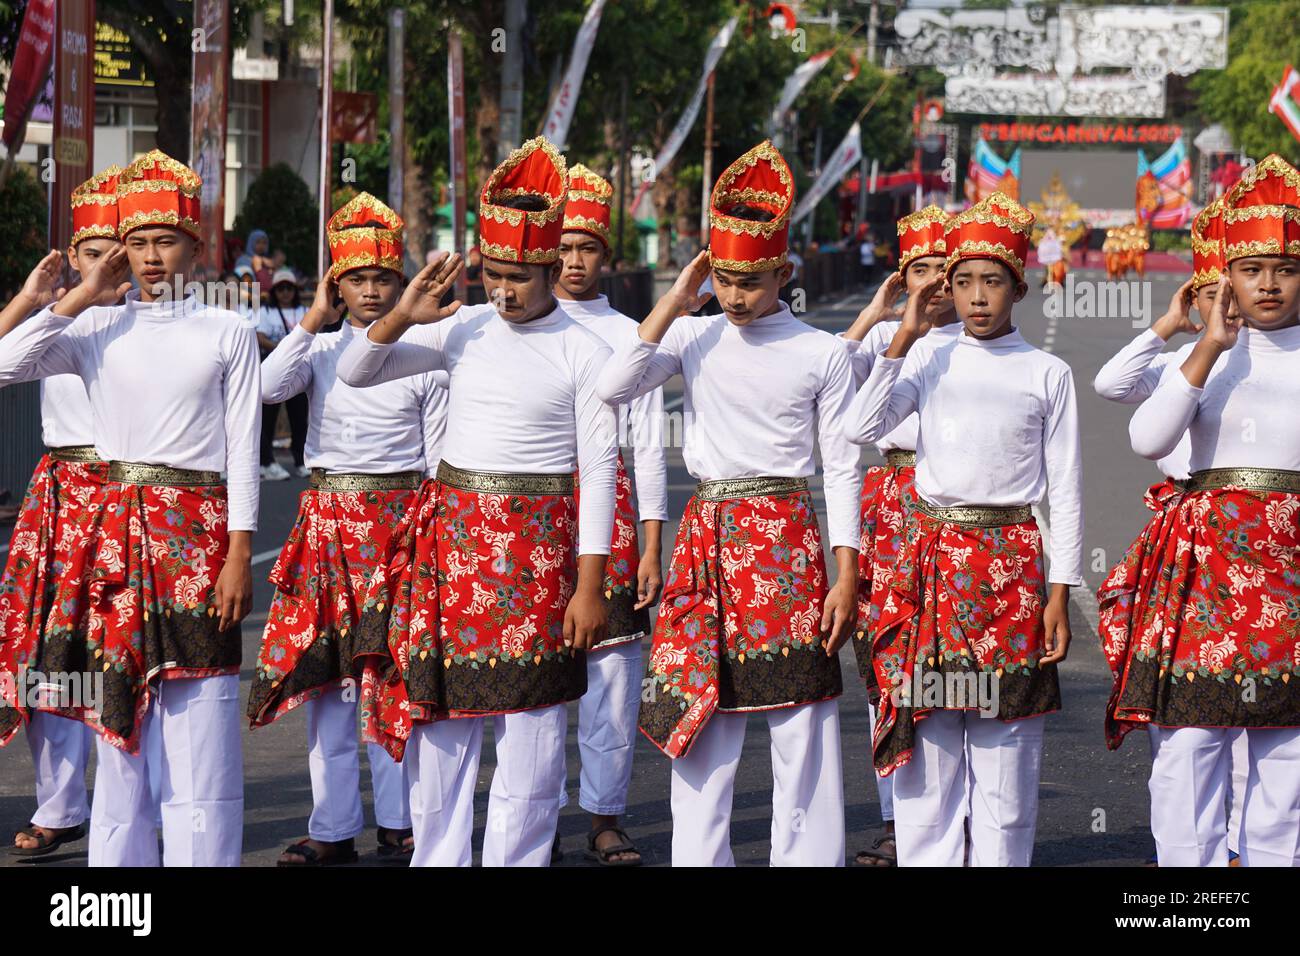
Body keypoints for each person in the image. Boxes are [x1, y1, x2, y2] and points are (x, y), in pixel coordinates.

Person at [336, 136, 619, 867]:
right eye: (493, 274)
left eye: (519, 276)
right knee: (440, 732)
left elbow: (600, 468)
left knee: (530, 744)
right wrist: (403, 313)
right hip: (452, 551)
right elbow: (357, 371)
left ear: (552, 267)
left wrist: (590, 588)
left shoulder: (585, 351)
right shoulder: (459, 329)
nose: (502, 290)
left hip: (539, 560)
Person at [596, 141, 860, 867]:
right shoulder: (693, 333)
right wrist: (677, 299)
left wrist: (847, 572)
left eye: (753, 280)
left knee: (801, 723)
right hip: (707, 537)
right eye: (726, 279)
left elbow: (842, 466)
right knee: (700, 717)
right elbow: (613, 387)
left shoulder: (822, 353)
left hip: (788, 542)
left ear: (786, 272)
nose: (738, 295)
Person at [0, 149, 259, 866]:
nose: (150, 257)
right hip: (112, 543)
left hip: (199, 541)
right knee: (119, 733)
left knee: (200, 729)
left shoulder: (227, 331)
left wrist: (240, 555)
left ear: (196, 245)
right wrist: (79, 294)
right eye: (136, 243)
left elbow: (243, 449)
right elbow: (4, 365)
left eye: (164, 241)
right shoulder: (91, 330)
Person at [844, 192, 1083, 867]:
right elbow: (861, 427)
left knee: (1006, 764)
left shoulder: (1048, 372)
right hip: (931, 568)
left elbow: (1063, 491)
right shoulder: (925, 359)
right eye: (965, 281)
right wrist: (904, 335)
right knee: (932, 758)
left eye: (993, 280)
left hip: (1011, 571)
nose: (978, 297)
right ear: (946, 286)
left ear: (1019, 286)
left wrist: (1059, 593)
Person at [247, 193, 447, 866]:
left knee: (392, 675)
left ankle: (400, 819)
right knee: (327, 682)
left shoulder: (423, 353)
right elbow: (267, 387)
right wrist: (310, 317)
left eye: (382, 280)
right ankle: (331, 827)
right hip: (327, 523)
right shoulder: (321, 348)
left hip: (397, 527)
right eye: (355, 279)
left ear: (401, 282)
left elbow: (438, 455)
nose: (369, 290)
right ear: (337, 284)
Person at [1126, 154, 1300, 867]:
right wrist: (1207, 347)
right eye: (1251, 268)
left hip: (1291, 564)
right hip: (1208, 563)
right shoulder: (1205, 354)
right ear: (1224, 276)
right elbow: (1147, 438)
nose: (1267, 284)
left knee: (1285, 750)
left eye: (1284, 269)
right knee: (1191, 742)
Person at [1093, 198, 1251, 865]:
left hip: (1263, 543)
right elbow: (1111, 384)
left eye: (1234, 291)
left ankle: (1251, 847)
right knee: (1186, 713)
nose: (1230, 306)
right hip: (1185, 542)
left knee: (1265, 720)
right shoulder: (1181, 360)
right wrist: (1170, 325)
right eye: (1212, 293)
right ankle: (1190, 863)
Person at [0, 166, 127, 857]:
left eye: (121, 247)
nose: (108, 263)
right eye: (91, 250)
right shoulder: (62, 324)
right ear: (74, 256)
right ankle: (61, 804)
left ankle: (129, 802)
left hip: (133, 494)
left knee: (126, 652)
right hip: (62, 493)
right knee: (50, 656)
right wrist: (35, 298)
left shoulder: (154, 320)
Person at [551, 164, 667, 866]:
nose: (571, 261)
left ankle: (603, 815)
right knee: (524, 672)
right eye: (561, 246)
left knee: (613, 675)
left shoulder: (632, 335)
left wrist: (652, 544)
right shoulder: (513, 320)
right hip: (528, 510)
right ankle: (525, 813)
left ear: (608, 257)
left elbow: (648, 446)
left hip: (612, 511)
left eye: (586, 247)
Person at [838, 204, 959, 866]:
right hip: (887, 505)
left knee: (950, 671)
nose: (937, 281)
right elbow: (830, 374)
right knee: (885, 663)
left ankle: (953, 817)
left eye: (948, 268)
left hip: (952, 514)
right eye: (921, 269)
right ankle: (895, 818)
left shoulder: (976, 338)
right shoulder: (891, 337)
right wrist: (879, 313)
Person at [257, 268, 310, 480]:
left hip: (297, 369)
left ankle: (300, 460)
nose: (286, 292)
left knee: (299, 418)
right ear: (274, 291)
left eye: (289, 288)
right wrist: (282, 349)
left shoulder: (303, 311)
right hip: (272, 368)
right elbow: (259, 336)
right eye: (281, 288)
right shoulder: (266, 312)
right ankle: (266, 461)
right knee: (267, 419)